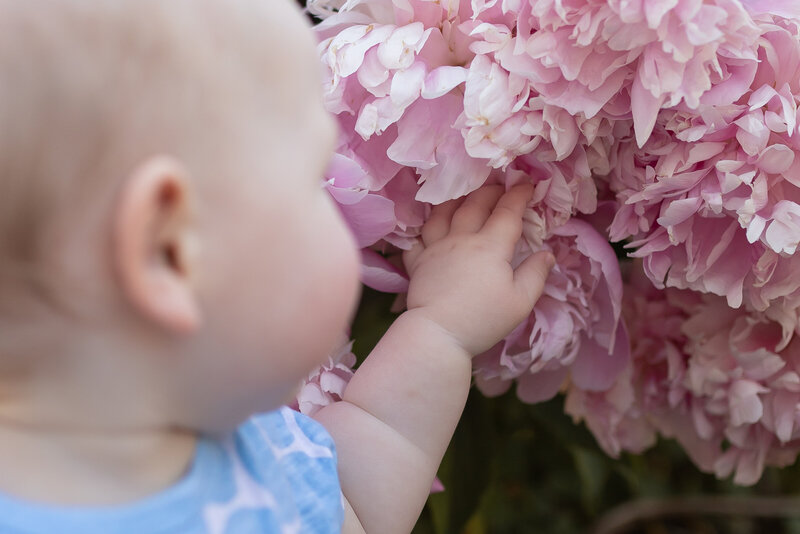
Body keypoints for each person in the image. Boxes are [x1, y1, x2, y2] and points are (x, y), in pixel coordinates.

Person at [0, 0, 555, 532]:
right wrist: (442, 330)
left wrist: (440, 328)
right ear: (171, 251)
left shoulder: (249, 447)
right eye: (311, 179)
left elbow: (361, 488)